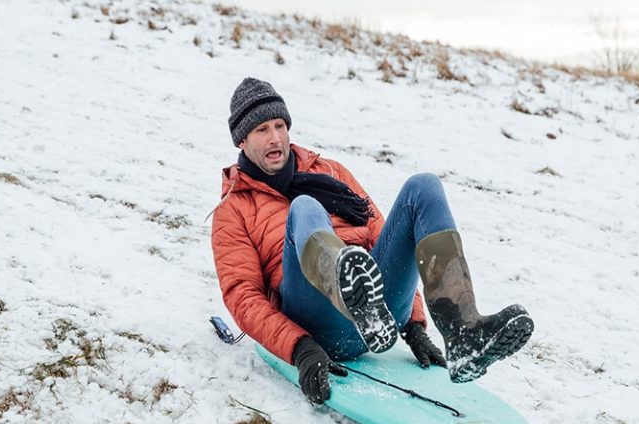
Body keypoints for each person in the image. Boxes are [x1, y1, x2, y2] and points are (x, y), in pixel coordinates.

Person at [212, 78, 534, 404]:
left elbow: (384, 237)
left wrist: (414, 327)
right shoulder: (235, 207)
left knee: (422, 187)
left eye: (280, 125)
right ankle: (346, 287)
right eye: (262, 130)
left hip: (379, 319)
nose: (275, 138)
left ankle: (464, 334)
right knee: (305, 207)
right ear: (241, 140)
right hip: (317, 323)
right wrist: (300, 347)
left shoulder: (331, 171)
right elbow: (243, 295)